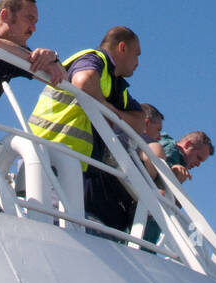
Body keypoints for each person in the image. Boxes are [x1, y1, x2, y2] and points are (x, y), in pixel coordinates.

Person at [29, 27, 146, 236]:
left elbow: (139, 122)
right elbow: (83, 82)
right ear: (122, 47)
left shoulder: (115, 84)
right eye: (137, 54)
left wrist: (110, 111)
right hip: (48, 155)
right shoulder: (94, 58)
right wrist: (112, 113)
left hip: (72, 164)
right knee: (53, 232)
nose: (138, 63)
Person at [150, 129, 215, 184]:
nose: (198, 164)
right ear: (188, 145)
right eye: (198, 157)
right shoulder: (171, 149)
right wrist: (173, 169)